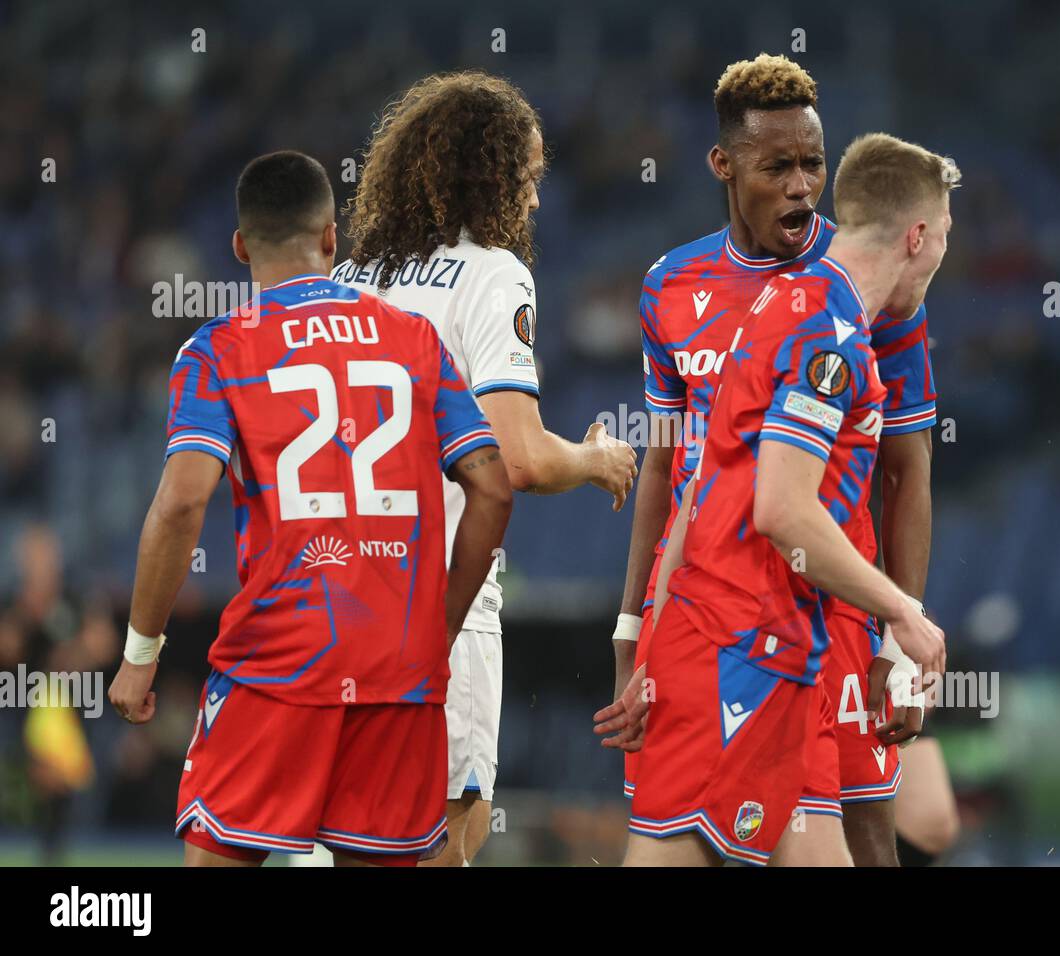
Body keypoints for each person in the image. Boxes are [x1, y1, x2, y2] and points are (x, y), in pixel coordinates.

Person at [108, 150, 513, 867]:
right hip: (399, 669)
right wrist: (437, 625)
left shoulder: (217, 351)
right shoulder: (415, 339)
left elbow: (182, 503)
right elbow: (493, 486)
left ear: (240, 246)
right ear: (333, 237)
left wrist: (141, 653)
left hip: (281, 661)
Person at [600, 133, 958, 866]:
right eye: (946, 236)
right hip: (734, 648)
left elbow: (698, 489)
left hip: (774, 646)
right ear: (917, 236)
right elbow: (781, 511)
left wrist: (653, 645)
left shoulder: (783, 304)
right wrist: (904, 614)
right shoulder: (828, 338)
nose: (945, 255)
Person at [337, 70, 638, 866]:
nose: (535, 201)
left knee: (354, 847)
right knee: (447, 842)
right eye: (528, 178)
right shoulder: (491, 274)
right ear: (490, 176)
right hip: (439, 605)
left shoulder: (347, 280)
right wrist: (597, 458)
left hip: (334, 611)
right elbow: (519, 458)